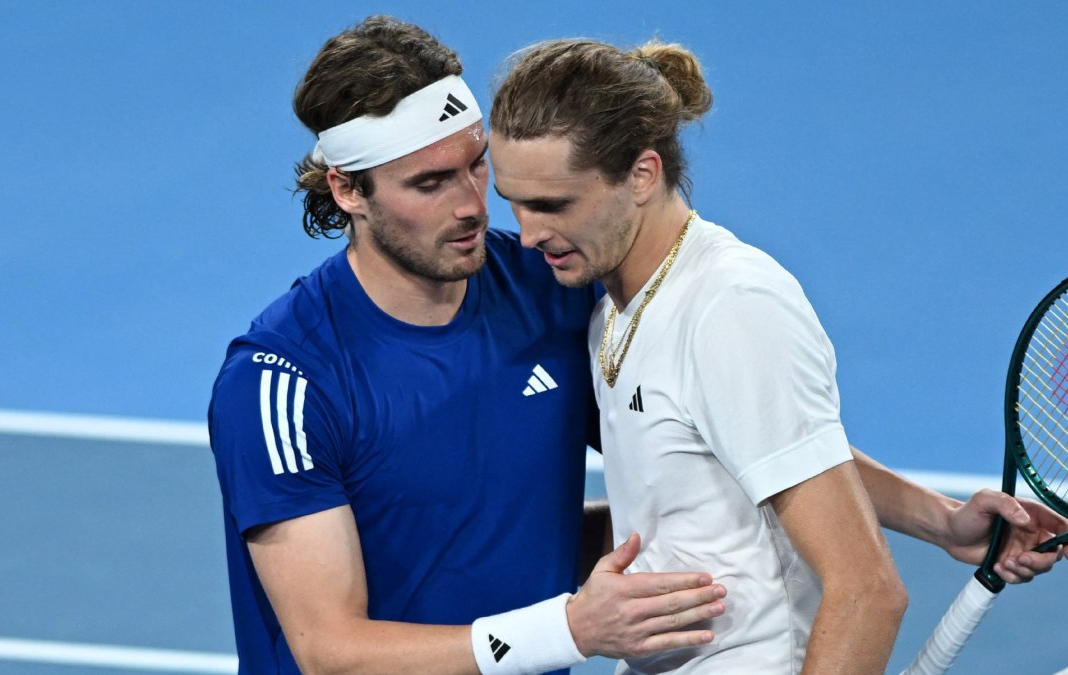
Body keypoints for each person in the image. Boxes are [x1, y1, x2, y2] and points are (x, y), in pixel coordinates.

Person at [487, 38, 1068, 673]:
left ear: (642, 175)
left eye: (553, 205)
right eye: (513, 202)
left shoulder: (730, 308)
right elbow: (769, 444)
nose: (527, 233)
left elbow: (869, 592)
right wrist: (941, 519)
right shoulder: (614, 305)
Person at [207, 17, 729, 675]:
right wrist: (569, 628)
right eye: (429, 183)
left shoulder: (550, 290)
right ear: (347, 190)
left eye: (475, 164)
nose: (472, 206)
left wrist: (841, 503)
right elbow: (332, 651)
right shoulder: (283, 380)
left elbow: (715, 432)